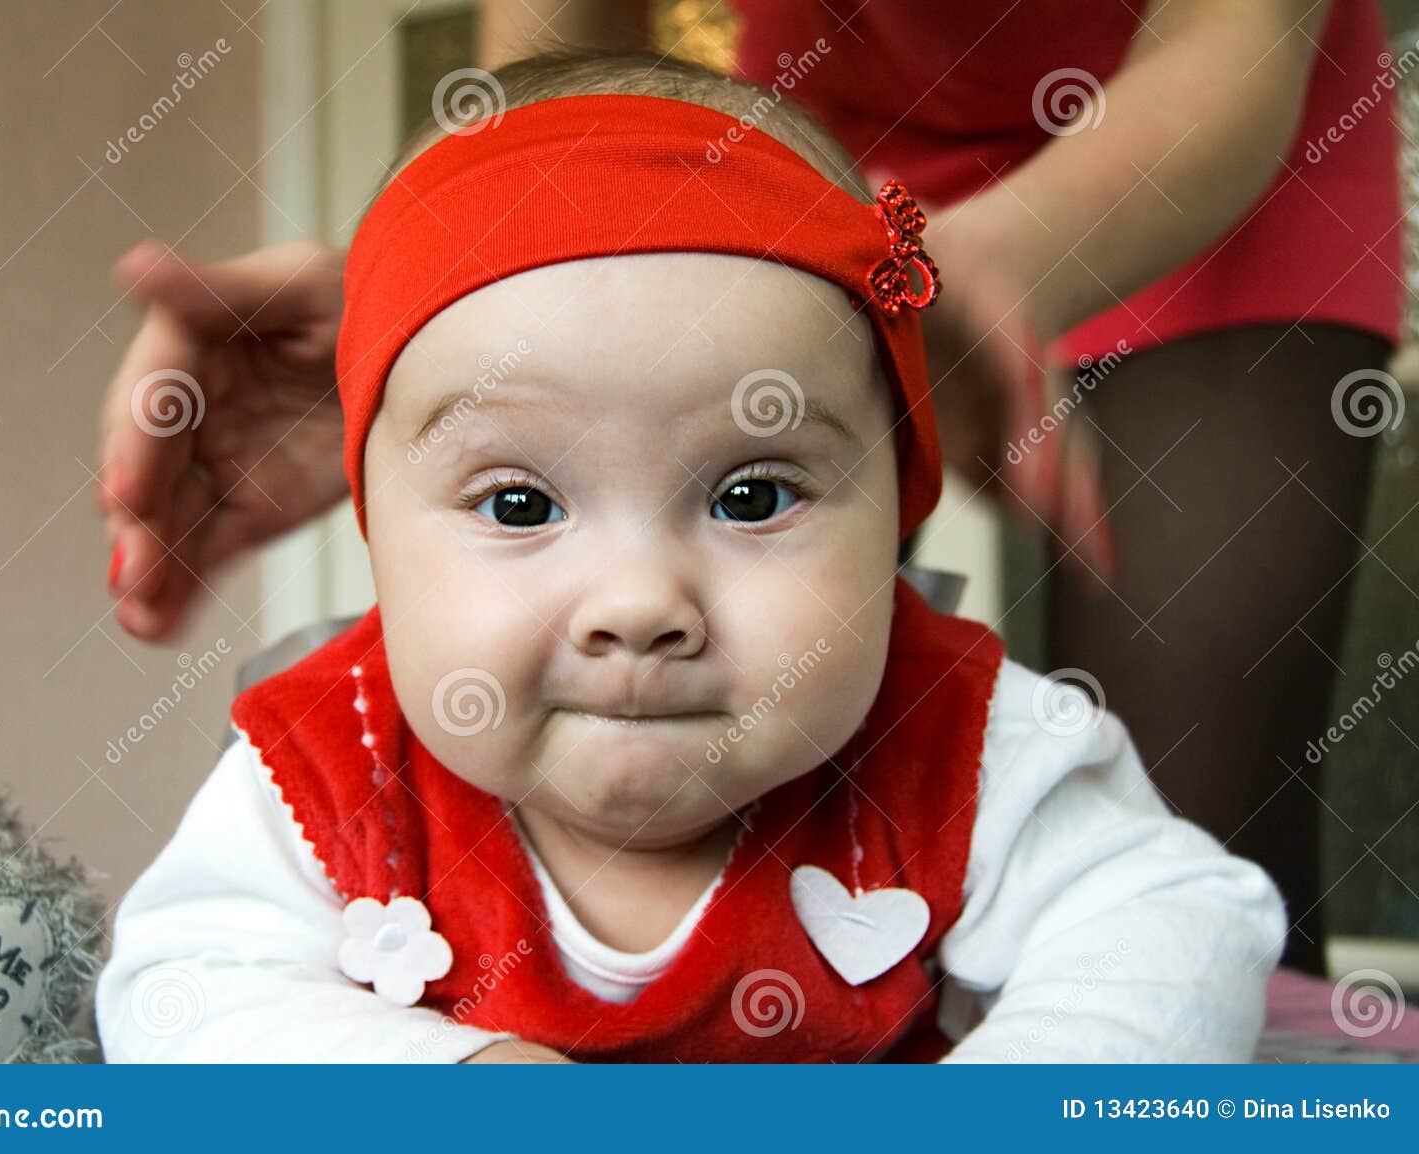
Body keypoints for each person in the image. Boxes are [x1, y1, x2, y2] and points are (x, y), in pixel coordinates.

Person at [99, 0, 1399, 975]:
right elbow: (548, 79)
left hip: (1206, 129)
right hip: (793, 156)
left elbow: (1182, 921)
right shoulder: (313, 770)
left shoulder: (996, 744)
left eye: (753, 495)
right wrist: (452, 291)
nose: (638, 604)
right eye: (519, 504)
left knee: (1216, 798)